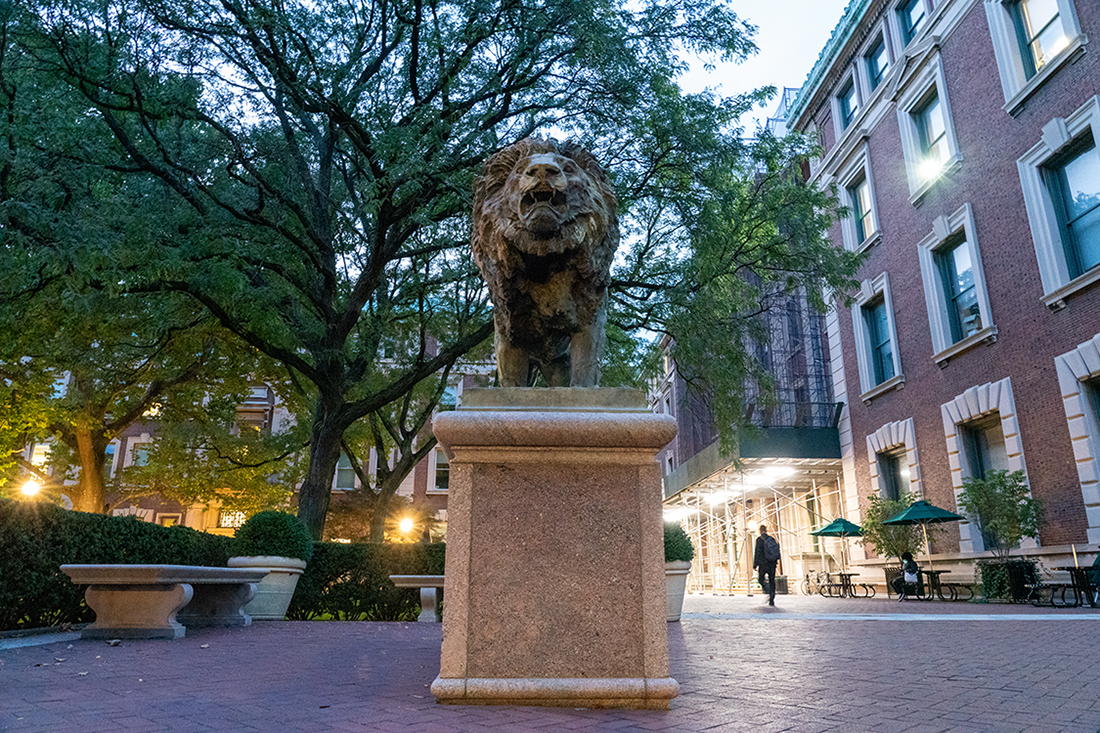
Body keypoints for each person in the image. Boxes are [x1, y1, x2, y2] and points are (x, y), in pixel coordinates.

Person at [753, 525, 781, 606]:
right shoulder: (771, 539)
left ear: (760, 531)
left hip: (763, 564)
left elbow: (757, 552)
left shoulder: (759, 540)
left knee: (761, 579)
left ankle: (768, 590)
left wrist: (755, 564)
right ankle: (772, 597)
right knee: (772, 580)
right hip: (772, 563)